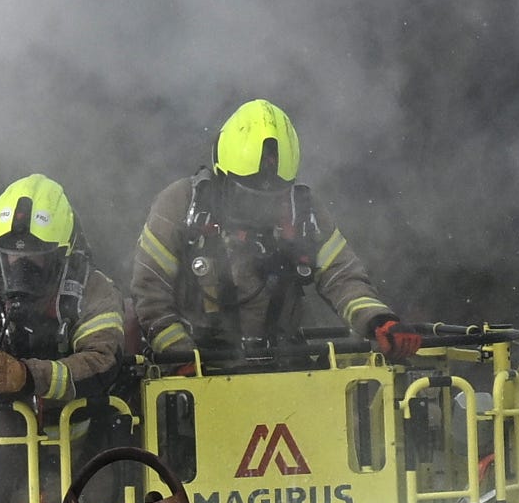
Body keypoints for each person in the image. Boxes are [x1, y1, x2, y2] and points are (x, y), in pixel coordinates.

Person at [128, 100, 412, 365]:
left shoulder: (303, 211)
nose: (261, 206)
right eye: (247, 195)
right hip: (198, 370)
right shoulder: (179, 205)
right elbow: (150, 294)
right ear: (221, 176)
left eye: (273, 196)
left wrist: (378, 319)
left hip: (285, 366)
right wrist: (181, 358)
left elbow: (342, 275)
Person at [0, 173, 128, 406]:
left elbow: (101, 362)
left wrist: (26, 376)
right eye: (12, 254)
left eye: (35, 255)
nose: (21, 265)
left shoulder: (93, 290)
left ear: (61, 255)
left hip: (83, 428)